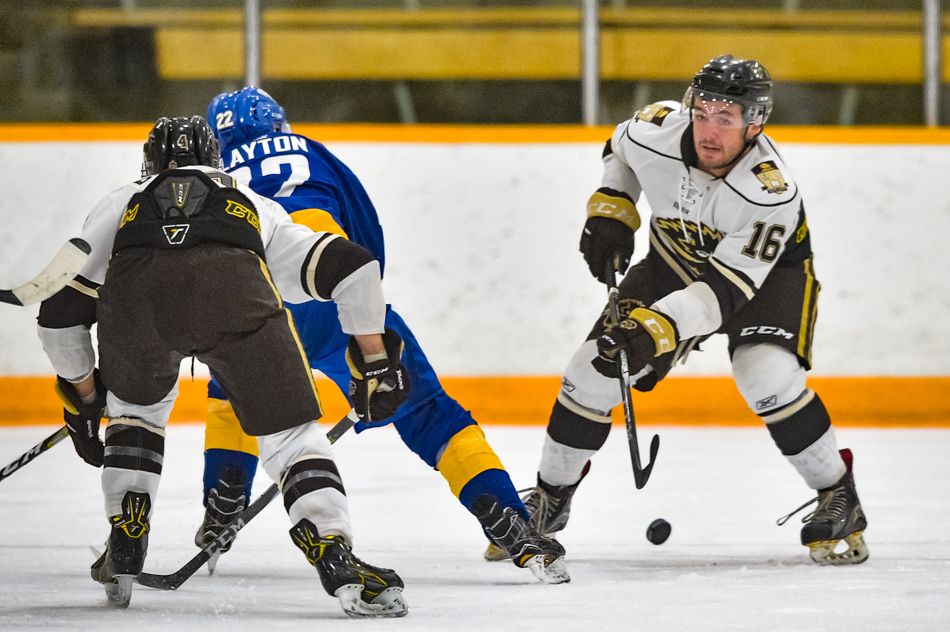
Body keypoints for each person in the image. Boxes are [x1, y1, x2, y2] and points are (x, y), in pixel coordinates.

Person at [37, 116, 414, 616]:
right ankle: (332, 551)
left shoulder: (122, 200)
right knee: (291, 436)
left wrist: (85, 399)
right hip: (235, 294)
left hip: (139, 300)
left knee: (136, 415)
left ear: (148, 162)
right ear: (216, 160)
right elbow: (354, 266)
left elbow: (58, 311)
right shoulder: (248, 200)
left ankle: (126, 536)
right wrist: (375, 363)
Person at [195, 87, 568, 584]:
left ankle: (223, 505)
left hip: (253, 298)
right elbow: (365, 238)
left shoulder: (213, 177)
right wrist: (365, 320)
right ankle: (510, 522)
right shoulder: (307, 148)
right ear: (278, 122)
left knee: (233, 392)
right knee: (427, 408)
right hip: (323, 281)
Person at [510, 55, 868, 566]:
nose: (710, 129)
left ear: (754, 123)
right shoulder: (655, 130)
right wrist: (613, 205)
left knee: (763, 373)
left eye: (727, 118)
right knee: (591, 370)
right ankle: (549, 499)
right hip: (673, 261)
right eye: (703, 112)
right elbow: (619, 150)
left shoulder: (770, 192)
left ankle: (838, 493)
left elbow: (720, 294)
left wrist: (652, 329)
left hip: (767, 279)